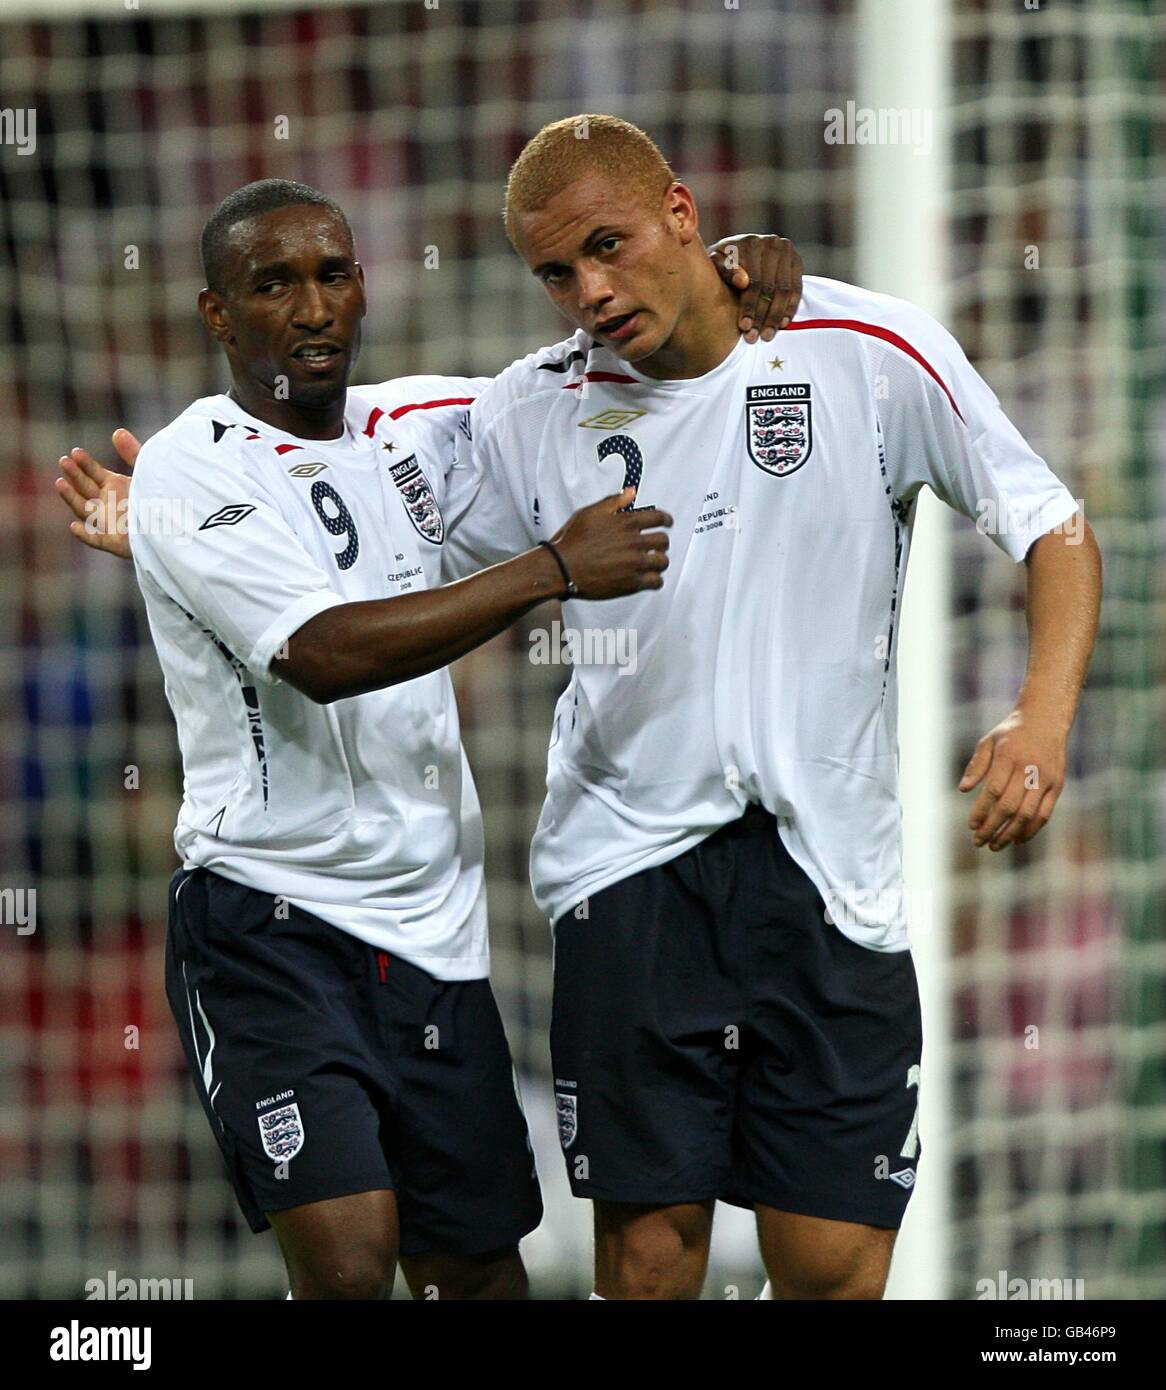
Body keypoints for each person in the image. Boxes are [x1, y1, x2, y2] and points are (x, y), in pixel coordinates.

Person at [54, 176, 802, 1300]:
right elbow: (321, 652)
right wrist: (553, 569)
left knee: (475, 1278)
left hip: (435, 938)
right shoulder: (190, 462)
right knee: (349, 1267)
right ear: (218, 315)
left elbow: (602, 366)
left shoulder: (422, 423)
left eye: (333, 275)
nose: (312, 307)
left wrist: (726, 268)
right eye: (273, 284)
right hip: (272, 921)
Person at [433, 114, 1103, 1300]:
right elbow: (373, 488)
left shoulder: (866, 349)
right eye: (554, 271)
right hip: (626, 868)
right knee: (646, 1263)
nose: (587, 291)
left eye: (608, 246)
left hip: (831, 872)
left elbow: (1051, 527)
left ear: (681, 214)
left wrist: (1038, 718)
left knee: (836, 1270)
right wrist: (183, 499)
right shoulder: (529, 411)